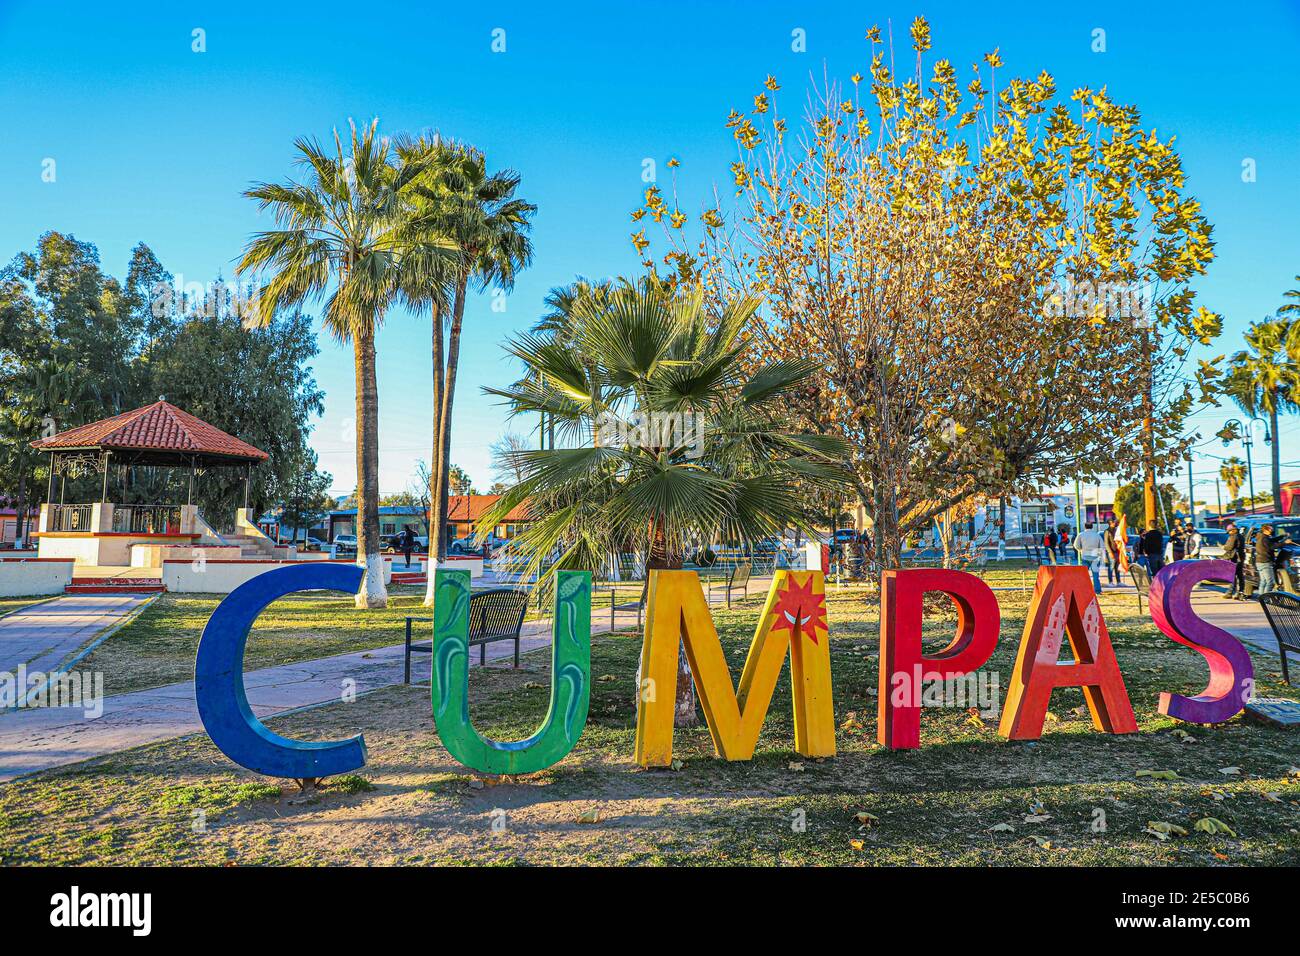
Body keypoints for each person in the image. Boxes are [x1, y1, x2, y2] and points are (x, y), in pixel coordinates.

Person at [1073, 521, 1105, 592]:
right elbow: (1102, 546)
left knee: (1084, 575)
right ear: (1092, 527)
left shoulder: (1081, 535)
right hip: (1095, 557)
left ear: (1085, 527)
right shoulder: (1097, 535)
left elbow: (1076, 545)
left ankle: (1083, 589)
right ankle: (1097, 590)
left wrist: (1081, 549)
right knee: (1095, 575)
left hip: (1085, 556)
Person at [1222, 520, 1245, 599]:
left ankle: (1230, 592)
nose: (1228, 533)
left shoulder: (1233, 536)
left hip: (1234, 558)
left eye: (1229, 531)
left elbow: (1229, 547)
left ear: (1232, 530)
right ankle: (1240, 592)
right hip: (1240, 557)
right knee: (1240, 576)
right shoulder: (1240, 536)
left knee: (1232, 575)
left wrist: (1224, 547)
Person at [1255, 523, 1278, 597]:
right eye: (1270, 529)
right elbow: (1272, 546)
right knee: (1270, 582)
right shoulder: (1264, 539)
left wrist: (1281, 537)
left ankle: (1261, 597)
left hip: (1259, 562)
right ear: (1265, 530)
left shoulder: (1261, 537)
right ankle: (1265, 599)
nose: (1272, 530)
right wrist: (1284, 543)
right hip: (1265, 562)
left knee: (1263, 581)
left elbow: (1271, 540)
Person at [1102, 517, 1121, 586]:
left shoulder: (1116, 530)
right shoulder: (1107, 531)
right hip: (1111, 552)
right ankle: (1110, 582)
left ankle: (1119, 582)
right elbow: (1106, 543)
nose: (1115, 523)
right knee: (1111, 567)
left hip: (1117, 551)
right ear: (1111, 523)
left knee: (1117, 567)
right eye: (1114, 522)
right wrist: (1110, 552)